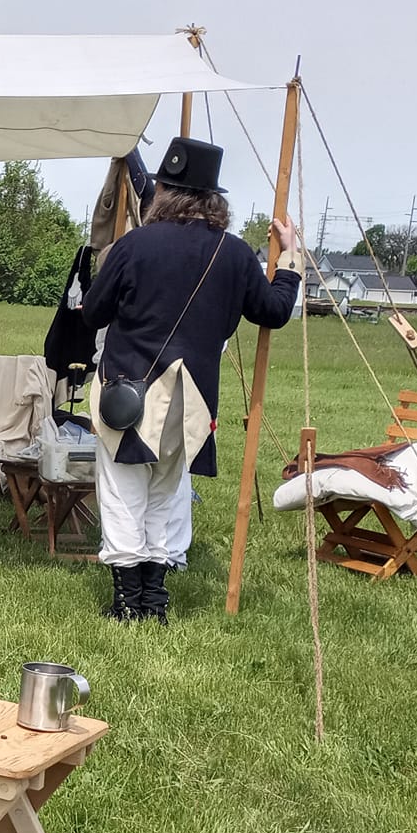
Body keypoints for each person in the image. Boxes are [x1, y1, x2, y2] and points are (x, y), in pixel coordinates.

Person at [83, 137, 301, 621]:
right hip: (193, 397)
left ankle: (127, 603)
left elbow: (93, 313)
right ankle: (154, 603)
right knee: (167, 490)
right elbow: (274, 310)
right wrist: (289, 260)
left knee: (123, 490)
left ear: (164, 190)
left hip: (129, 391)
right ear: (213, 199)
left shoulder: (134, 245)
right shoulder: (237, 254)